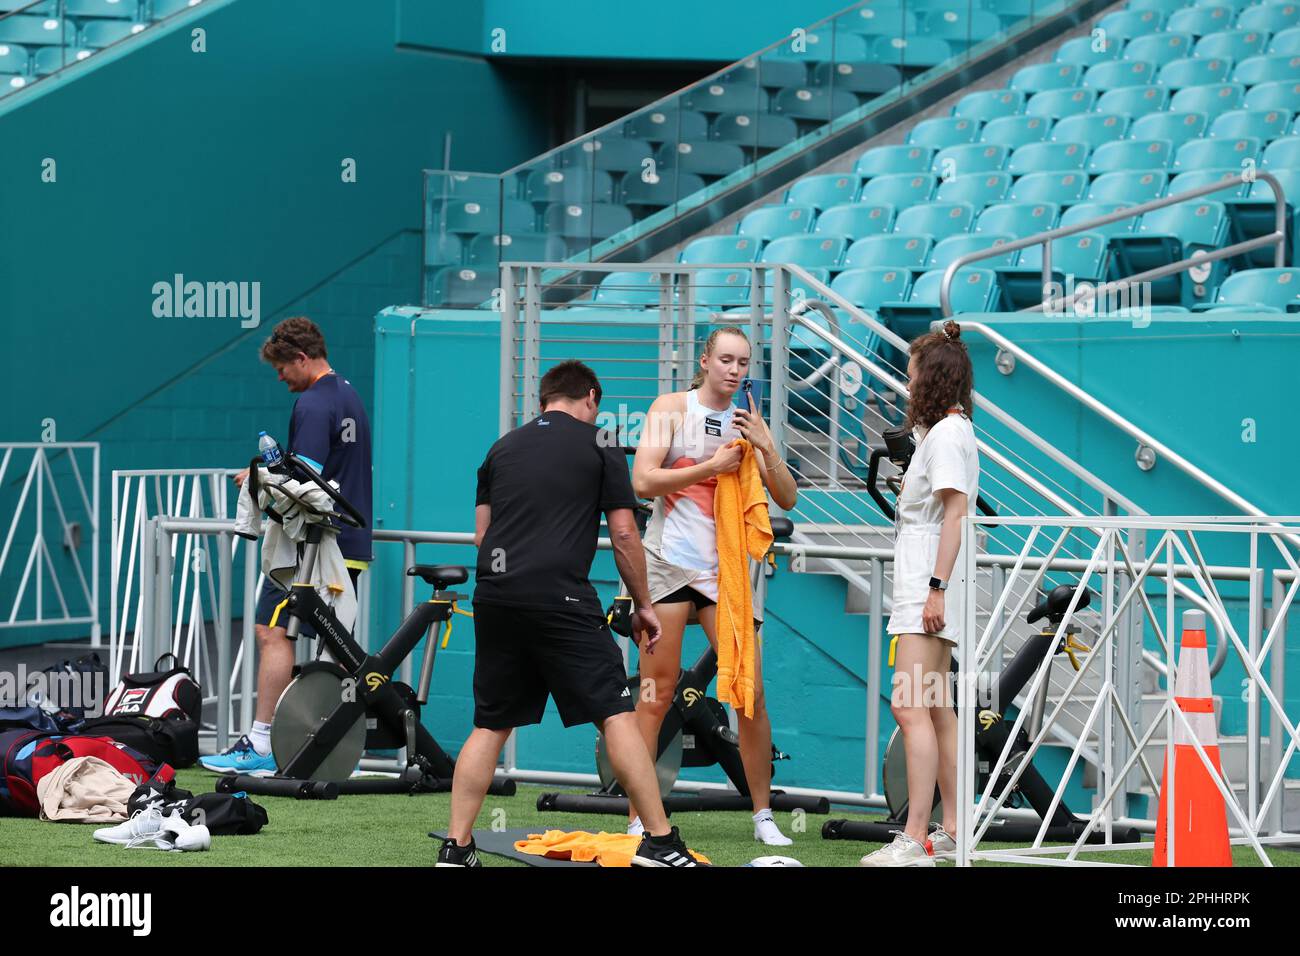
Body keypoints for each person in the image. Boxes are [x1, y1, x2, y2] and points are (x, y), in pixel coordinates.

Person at [439, 360, 704, 867]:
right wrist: (645, 605)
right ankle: (660, 842)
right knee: (616, 714)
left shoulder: (502, 447)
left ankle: (457, 848)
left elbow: (483, 538)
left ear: (543, 400)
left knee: (490, 724)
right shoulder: (600, 443)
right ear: (589, 397)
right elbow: (625, 535)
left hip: (495, 596)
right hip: (560, 598)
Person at [629, 326, 799, 846]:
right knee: (654, 696)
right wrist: (710, 465)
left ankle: (763, 814)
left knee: (751, 695)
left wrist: (766, 448)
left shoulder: (751, 420)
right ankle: (639, 816)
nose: (734, 369)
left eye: (743, 362)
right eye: (725, 359)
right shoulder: (670, 408)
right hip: (666, 567)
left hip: (723, 574)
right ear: (705, 360)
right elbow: (641, 482)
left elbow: (787, 497)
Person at [201, 317, 373, 776]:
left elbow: (305, 483)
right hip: (347, 542)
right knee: (335, 647)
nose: (280, 377)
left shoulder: (315, 404)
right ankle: (336, 747)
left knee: (272, 632)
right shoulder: (348, 392)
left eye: (282, 367)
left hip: (314, 544)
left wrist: (254, 477)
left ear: (301, 357)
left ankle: (260, 742)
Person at [860, 319, 980, 867]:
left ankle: (914, 838)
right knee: (934, 711)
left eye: (912, 376)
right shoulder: (942, 435)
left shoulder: (949, 435)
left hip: (927, 589)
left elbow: (956, 514)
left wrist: (934, 589)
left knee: (912, 708)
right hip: (927, 585)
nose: (907, 387)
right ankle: (950, 830)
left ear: (930, 379)